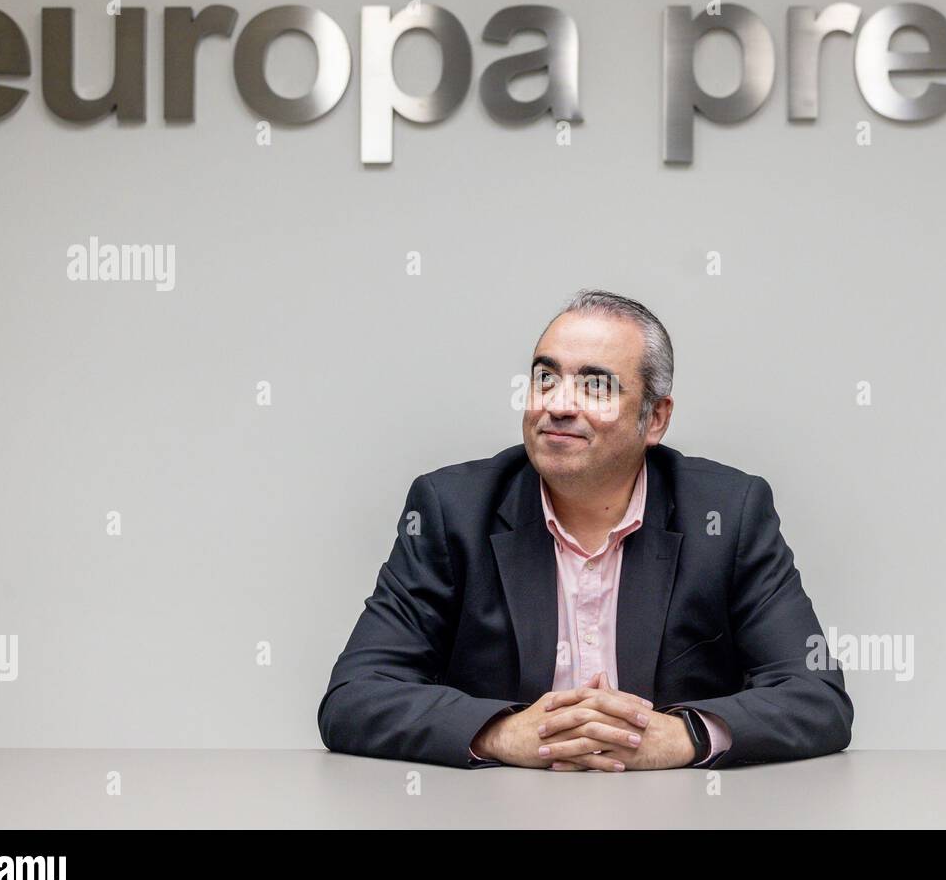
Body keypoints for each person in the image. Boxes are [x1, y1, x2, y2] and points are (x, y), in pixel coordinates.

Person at [318, 290, 853, 770]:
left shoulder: (729, 512)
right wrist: (504, 733)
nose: (557, 404)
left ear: (656, 419)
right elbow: (354, 696)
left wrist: (679, 737)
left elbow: (815, 697)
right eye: (544, 378)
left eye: (595, 385)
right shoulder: (451, 509)